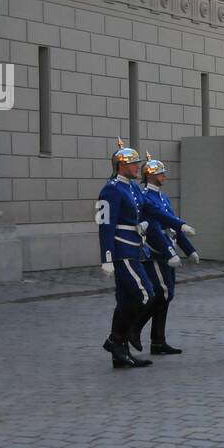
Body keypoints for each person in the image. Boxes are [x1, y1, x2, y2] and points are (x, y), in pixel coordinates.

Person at [96, 139, 156, 369]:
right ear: (120, 166)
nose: (136, 167)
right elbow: (105, 227)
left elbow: (148, 210)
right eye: (132, 164)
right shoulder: (110, 189)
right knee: (145, 295)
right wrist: (107, 258)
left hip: (134, 247)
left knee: (125, 300)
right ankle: (115, 340)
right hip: (121, 250)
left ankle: (120, 352)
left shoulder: (131, 188)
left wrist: (176, 224)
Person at [137, 154, 200, 356]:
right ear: (149, 175)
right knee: (162, 293)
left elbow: (171, 224)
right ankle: (134, 328)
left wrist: (189, 249)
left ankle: (158, 341)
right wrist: (169, 251)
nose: (164, 175)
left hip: (167, 250)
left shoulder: (163, 197)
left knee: (167, 295)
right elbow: (155, 228)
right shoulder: (145, 196)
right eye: (160, 172)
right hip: (156, 252)